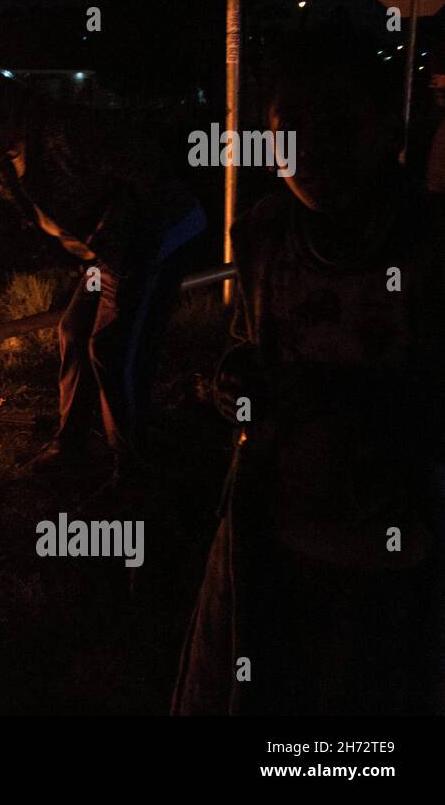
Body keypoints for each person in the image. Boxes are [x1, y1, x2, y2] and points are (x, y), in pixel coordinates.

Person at [172, 56, 445, 714]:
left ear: (391, 129)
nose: (314, 149)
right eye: (290, 128)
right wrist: (232, 383)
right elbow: (248, 346)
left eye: (341, 124)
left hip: (391, 547)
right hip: (267, 528)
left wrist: (332, 401)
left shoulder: (430, 243)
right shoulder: (265, 232)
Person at [0, 69, 206, 496]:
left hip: (160, 236)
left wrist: (133, 244)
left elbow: (147, 169)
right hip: (108, 254)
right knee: (74, 331)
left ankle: (134, 470)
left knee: (112, 348)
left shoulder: (67, 131)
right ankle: (71, 445)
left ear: (7, 113)